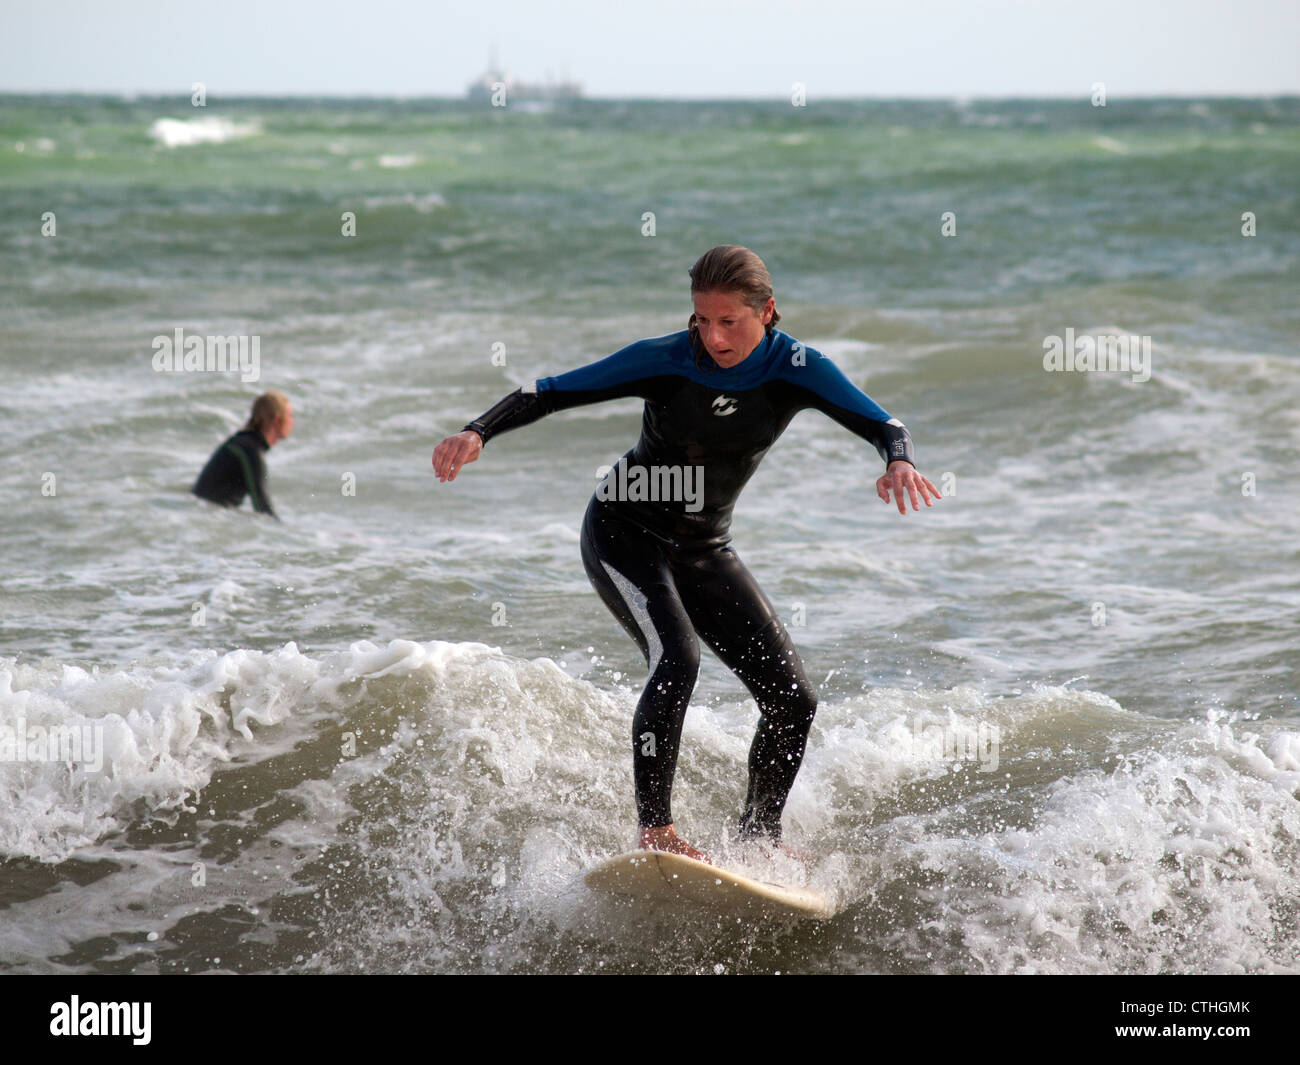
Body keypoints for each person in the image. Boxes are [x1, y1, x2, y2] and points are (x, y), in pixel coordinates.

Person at [432, 246, 940, 862]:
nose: (713, 336)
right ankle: (656, 830)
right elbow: (549, 391)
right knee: (678, 658)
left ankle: (759, 838)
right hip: (624, 532)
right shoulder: (668, 358)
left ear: (767, 312)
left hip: (704, 547)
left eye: (730, 321)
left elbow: (884, 423)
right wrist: (477, 429)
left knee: (792, 700)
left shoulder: (798, 366)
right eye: (703, 319)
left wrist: (899, 460)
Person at [192, 391, 293, 519]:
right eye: (290, 416)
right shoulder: (250, 451)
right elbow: (262, 507)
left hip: (200, 514)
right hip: (207, 517)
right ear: (277, 420)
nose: (292, 422)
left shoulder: (242, 443)